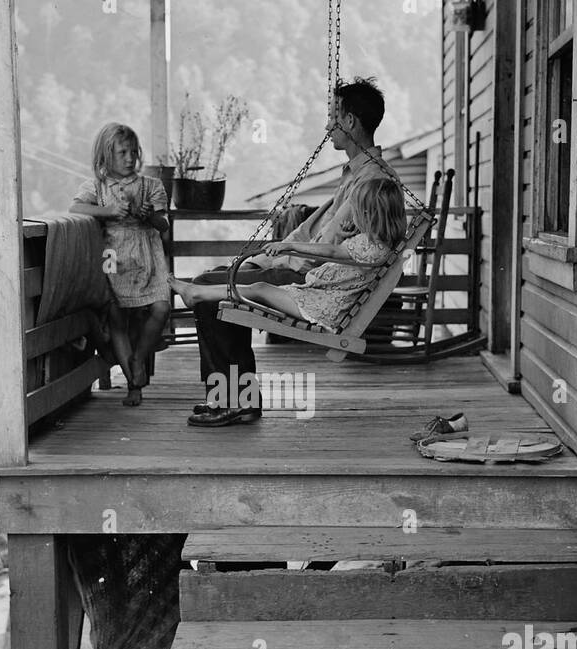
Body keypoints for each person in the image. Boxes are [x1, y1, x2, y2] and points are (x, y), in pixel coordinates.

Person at [185, 77, 393, 427]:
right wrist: (262, 259)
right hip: (303, 269)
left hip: (308, 280)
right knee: (212, 281)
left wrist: (276, 259)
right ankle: (234, 399)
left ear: (350, 122)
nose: (328, 126)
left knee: (208, 291)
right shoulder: (356, 174)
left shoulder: (369, 182)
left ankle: (233, 401)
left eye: (333, 116)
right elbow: (313, 228)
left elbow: (319, 249)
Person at [171, 177, 406, 339]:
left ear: (368, 214)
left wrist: (289, 244)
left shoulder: (368, 245)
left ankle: (196, 293)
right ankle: (197, 292)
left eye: (355, 210)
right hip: (319, 300)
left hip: (320, 308)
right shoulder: (379, 245)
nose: (352, 216)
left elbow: (332, 251)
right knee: (258, 288)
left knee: (260, 288)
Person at [71, 123, 170, 406]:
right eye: (121, 153)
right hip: (113, 256)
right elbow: (75, 208)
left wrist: (148, 216)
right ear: (105, 156)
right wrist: (108, 211)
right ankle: (133, 384)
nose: (129, 159)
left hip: (147, 253)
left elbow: (163, 226)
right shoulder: (96, 187)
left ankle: (139, 357)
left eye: (133, 152)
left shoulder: (151, 185)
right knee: (118, 318)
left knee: (161, 307)